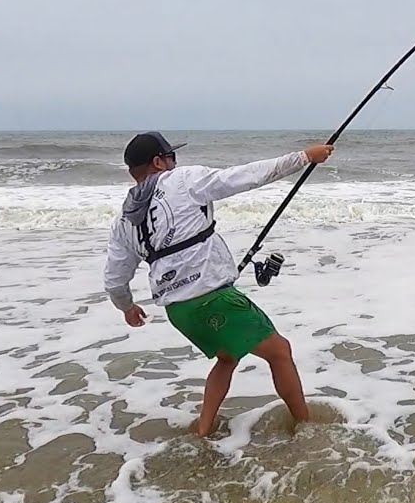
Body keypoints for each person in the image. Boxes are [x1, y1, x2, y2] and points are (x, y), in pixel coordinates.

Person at [102, 131, 335, 437]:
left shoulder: (124, 219)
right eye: (171, 157)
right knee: (280, 351)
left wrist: (127, 307)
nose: (175, 162)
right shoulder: (181, 180)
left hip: (179, 311)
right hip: (211, 299)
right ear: (158, 162)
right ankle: (306, 428)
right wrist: (304, 157)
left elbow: (115, 278)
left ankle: (203, 430)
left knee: (228, 358)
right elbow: (245, 177)